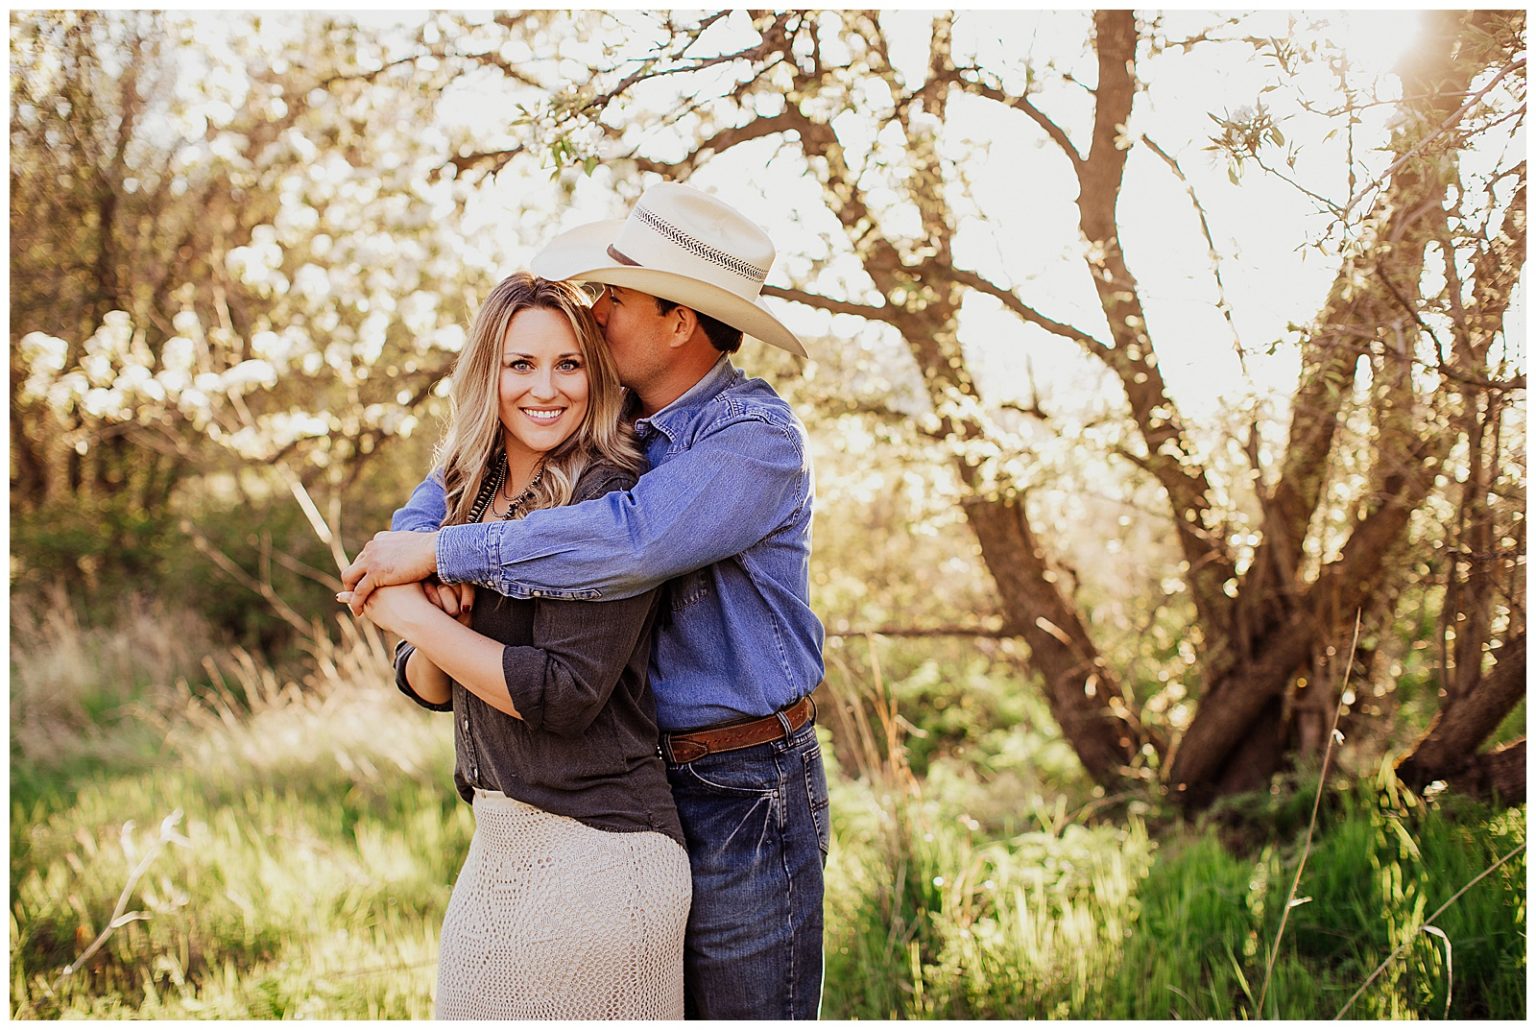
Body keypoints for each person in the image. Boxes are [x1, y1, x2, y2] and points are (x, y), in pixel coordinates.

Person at [341, 182, 829, 1019]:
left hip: (744, 782)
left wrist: (438, 561)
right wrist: (411, 547)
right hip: (633, 780)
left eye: (616, 294)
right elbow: (456, 474)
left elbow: (630, 541)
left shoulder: (752, 439)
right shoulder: (611, 424)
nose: (596, 310)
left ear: (679, 319)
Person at [343, 272, 690, 1019]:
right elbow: (428, 687)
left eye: (569, 364)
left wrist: (414, 613)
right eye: (520, 364)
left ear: (595, 375)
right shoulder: (467, 491)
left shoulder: (605, 496)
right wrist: (437, 626)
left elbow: (563, 695)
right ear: (487, 373)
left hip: (602, 848)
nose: (547, 388)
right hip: (500, 837)